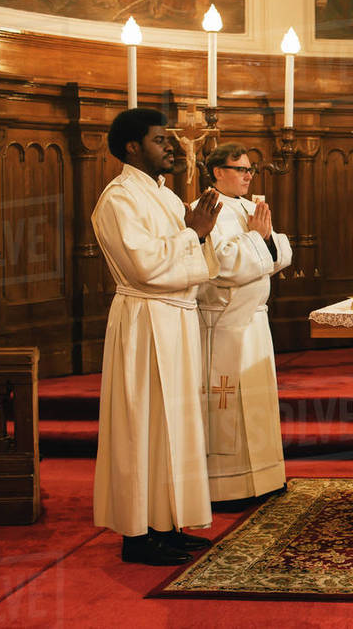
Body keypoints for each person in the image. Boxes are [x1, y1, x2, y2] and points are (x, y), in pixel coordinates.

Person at [91, 108, 222, 565]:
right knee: (142, 426)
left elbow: (195, 259)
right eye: (159, 139)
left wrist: (196, 232)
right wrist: (192, 232)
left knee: (175, 426)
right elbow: (143, 266)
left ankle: (166, 524)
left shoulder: (164, 195)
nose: (170, 147)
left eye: (169, 139)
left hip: (177, 318)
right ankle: (137, 535)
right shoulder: (119, 199)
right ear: (131, 146)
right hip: (145, 322)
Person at [193, 143, 293, 507]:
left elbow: (282, 253)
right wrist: (257, 239)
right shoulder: (204, 209)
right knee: (228, 406)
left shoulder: (251, 207)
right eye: (240, 169)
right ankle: (228, 486)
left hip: (254, 322)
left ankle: (264, 478)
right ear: (217, 172)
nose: (249, 175)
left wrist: (262, 238)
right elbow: (222, 266)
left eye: (251, 169)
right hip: (225, 325)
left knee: (258, 403)